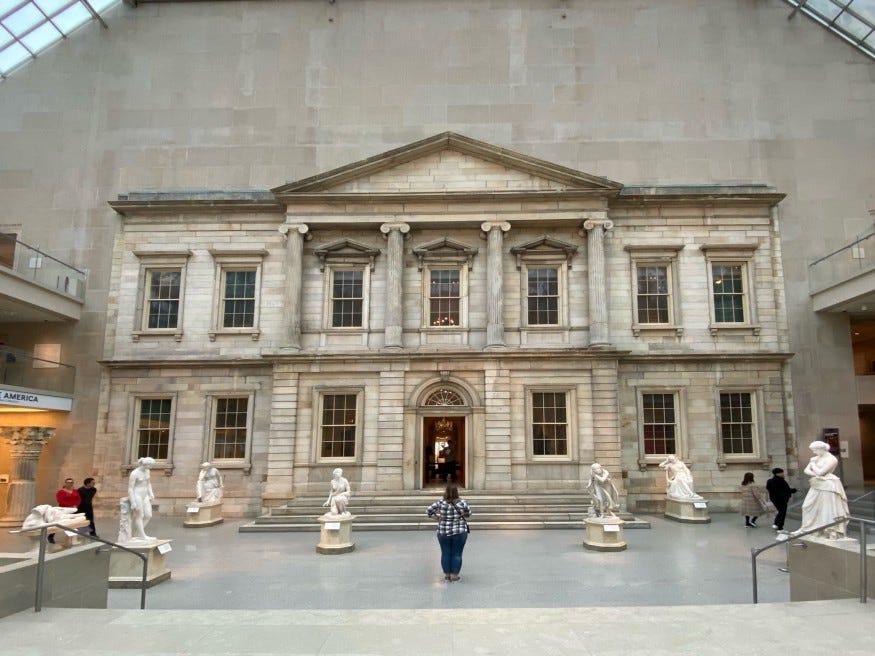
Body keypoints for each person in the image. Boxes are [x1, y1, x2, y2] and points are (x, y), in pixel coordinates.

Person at [795, 440, 850, 539]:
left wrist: (813, 465)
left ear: (822, 449)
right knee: (807, 506)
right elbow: (806, 470)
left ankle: (829, 530)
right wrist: (816, 473)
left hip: (828, 485)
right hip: (817, 484)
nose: (814, 452)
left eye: (815, 450)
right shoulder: (816, 458)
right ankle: (807, 528)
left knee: (827, 509)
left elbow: (821, 472)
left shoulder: (832, 459)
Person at [426, 483, 471, 582]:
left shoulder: (440, 502)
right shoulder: (462, 502)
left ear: (446, 492)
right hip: (459, 531)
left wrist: (437, 517)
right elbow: (468, 514)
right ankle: (454, 575)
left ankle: (447, 575)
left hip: (443, 531)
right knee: (457, 554)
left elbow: (428, 511)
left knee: (445, 553)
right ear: (456, 492)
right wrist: (460, 515)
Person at [128, 457, 156, 540]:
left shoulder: (147, 471)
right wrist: (133, 501)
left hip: (145, 495)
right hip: (137, 495)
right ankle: (142, 535)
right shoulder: (134, 473)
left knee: (148, 515)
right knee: (140, 515)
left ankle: (137, 533)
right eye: (150, 465)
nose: (151, 467)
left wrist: (151, 493)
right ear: (145, 464)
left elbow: (148, 483)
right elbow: (130, 488)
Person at [49, 477, 80, 543]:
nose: (70, 484)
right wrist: (70, 506)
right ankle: (51, 536)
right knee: (59, 523)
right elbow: (60, 500)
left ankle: (71, 538)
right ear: (65, 483)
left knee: (72, 524)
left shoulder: (75, 491)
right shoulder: (61, 492)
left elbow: (79, 499)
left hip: (73, 510)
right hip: (63, 510)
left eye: (71, 482)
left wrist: (75, 505)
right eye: (68, 482)